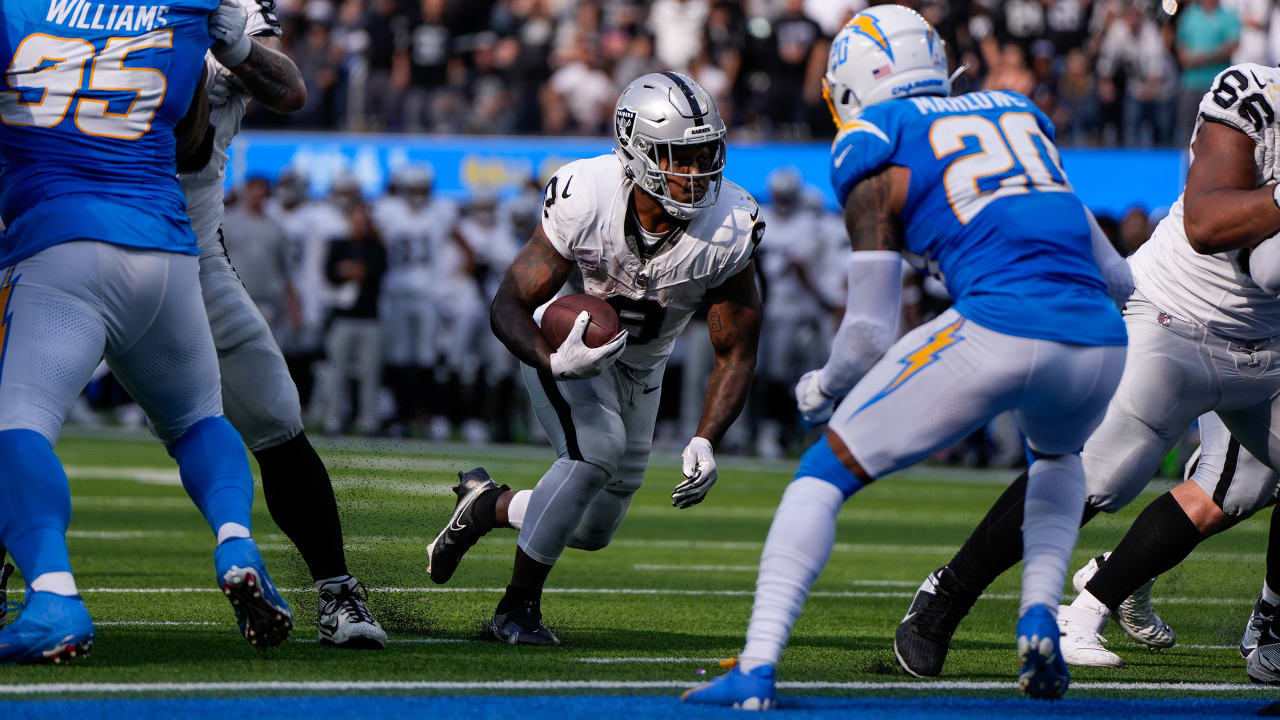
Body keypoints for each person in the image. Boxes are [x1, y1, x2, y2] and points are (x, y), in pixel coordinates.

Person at [683, 6, 1132, 707]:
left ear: (859, 79)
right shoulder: (1017, 112)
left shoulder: (873, 138)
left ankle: (758, 667)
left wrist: (821, 386)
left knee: (820, 476)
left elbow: (867, 331)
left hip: (1000, 324)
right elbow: (1119, 278)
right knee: (1057, 457)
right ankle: (1039, 610)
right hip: (1101, 341)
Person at [891, 58, 1280, 686]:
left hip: (1270, 347)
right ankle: (946, 597)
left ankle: (1273, 628)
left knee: (1244, 488)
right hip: (1174, 319)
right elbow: (1207, 224)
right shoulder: (1255, 96)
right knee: (1097, 478)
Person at [425, 71, 763, 646]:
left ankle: (487, 507)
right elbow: (509, 302)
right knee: (594, 455)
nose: (696, 171)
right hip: (569, 347)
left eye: (704, 152)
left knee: (592, 529)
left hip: (644, 367)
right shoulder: (587, 194)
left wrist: (707, 437)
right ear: (635, 152)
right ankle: (516, 611)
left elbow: (736, 348)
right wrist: (552, 361)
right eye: (678, 156)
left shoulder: (731, 225)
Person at [0, 0, 292, 662]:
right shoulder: (179, 10)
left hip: (58, 244)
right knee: (198, 420)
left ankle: (51, 596)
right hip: (165, 248)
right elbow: (195, 136)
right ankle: (235, 541)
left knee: (15, 425)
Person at [179, 0, 386, 648]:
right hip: (73, 243)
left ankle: (336, 590)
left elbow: (289, 87)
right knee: (21, 413)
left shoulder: (226, 36)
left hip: (189, 257)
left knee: (275, 416)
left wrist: (232, 47)